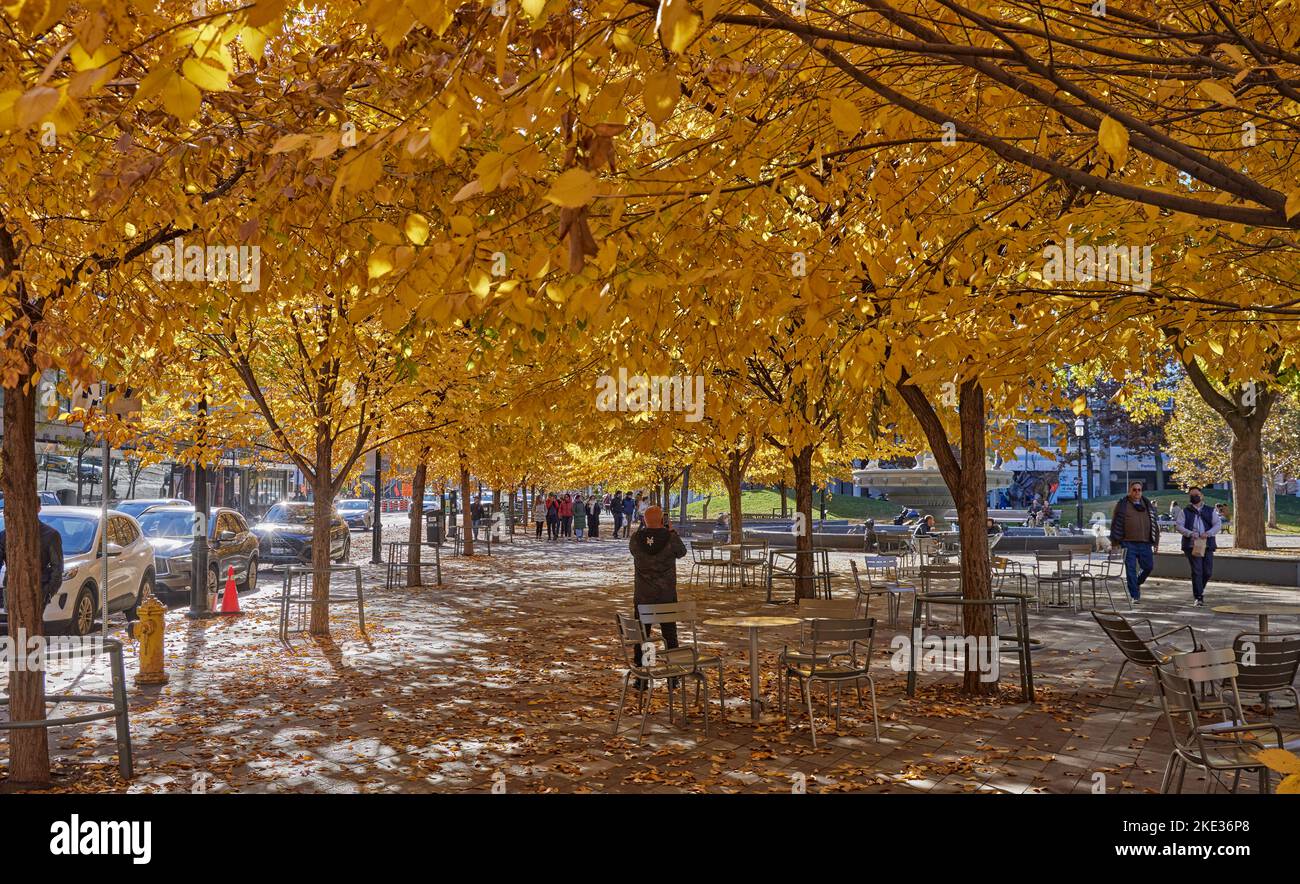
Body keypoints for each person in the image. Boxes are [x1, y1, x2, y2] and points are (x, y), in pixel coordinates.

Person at [629, 505, 688, 687]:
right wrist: (671, 531)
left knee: (644, 636)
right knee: (669, 635)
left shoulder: (636, 539)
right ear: (663, 520)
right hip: (666, 595)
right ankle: (672, 676)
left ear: (644, 520)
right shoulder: (671, 539)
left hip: (643, 595)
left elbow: (634, 551)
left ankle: (644, 675)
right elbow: (682, 552)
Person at [0, 517, 65, 617]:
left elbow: (58, 567)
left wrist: (47, 592)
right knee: (15, 626)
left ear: (39, 508)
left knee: (31, 625)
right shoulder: (5, 534)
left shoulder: (51, 534)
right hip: (11, 588)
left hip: (38, 588)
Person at [1110, 480, 1160, 605]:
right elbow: (1115, 523)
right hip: (1128, 543)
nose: (1137, 492)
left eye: (1139, 490)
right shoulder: (1122, 505)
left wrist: (1156, 541)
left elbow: (1154, 524)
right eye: (1134, 490)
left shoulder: (1148, 504)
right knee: (1130, 569)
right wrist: (1115, 543)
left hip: (1145, 543)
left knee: (1148, 567)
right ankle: (1135, 595)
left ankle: (1136, 582)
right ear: (1129, 491)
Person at [1175, 486, 1221, 607]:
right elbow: (1179, 526)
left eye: (1197, 495)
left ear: (1201, 496)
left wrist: (1209, 533)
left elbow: (1217, 524)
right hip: (1191, 545)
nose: (1195, 497)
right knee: (1197, 570)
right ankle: (1198, 597)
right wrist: (1190, 533)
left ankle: (1200, 589)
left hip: (1207, 544)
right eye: (1192, 495)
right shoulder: (1184, 512)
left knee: (1207, 572)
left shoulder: (1210, 511)